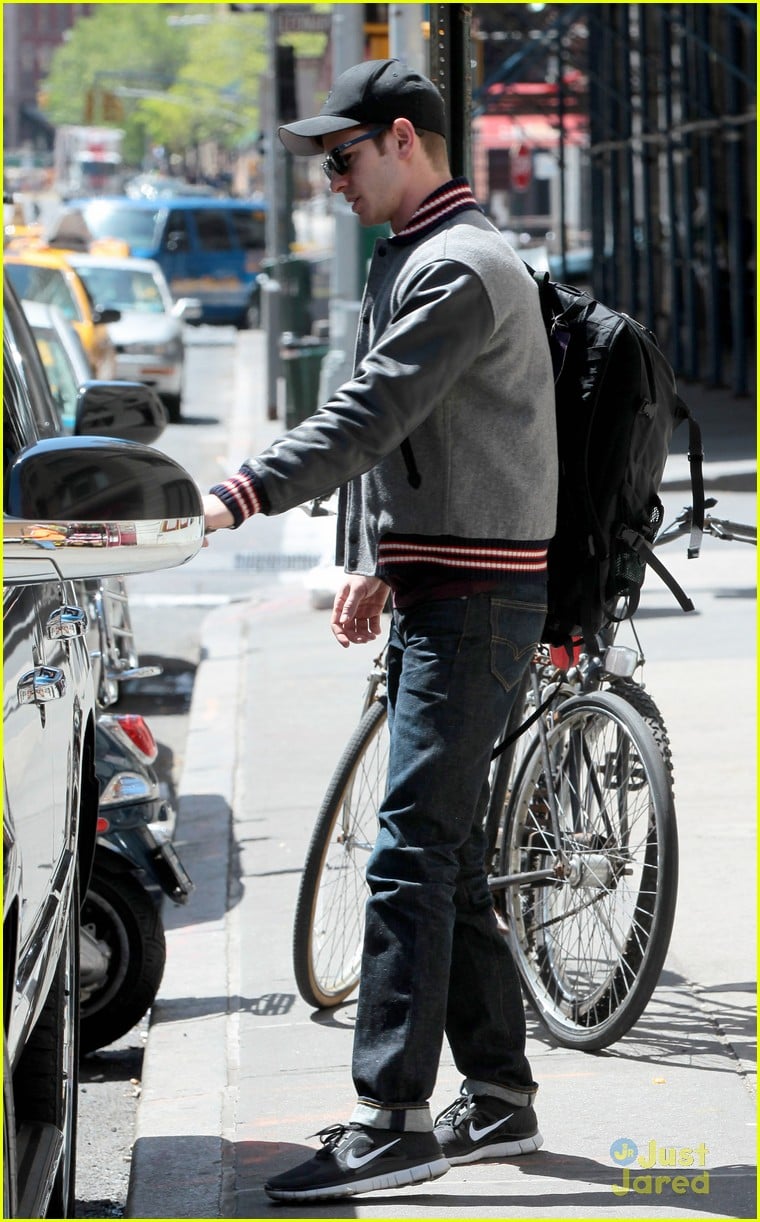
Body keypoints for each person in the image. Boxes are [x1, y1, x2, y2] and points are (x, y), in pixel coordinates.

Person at [202, 58, 558, 1203]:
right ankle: (497, 1101)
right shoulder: (422, 254)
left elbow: (370, 413)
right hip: (450, 590)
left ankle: (391, 1117)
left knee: (407, 850)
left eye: (342, 158)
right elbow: (422, 437)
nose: (330, 182)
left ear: (402, 139)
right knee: (439, 854)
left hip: (479, 604)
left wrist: (241, 491)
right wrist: (382, 563)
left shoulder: (457, 265)